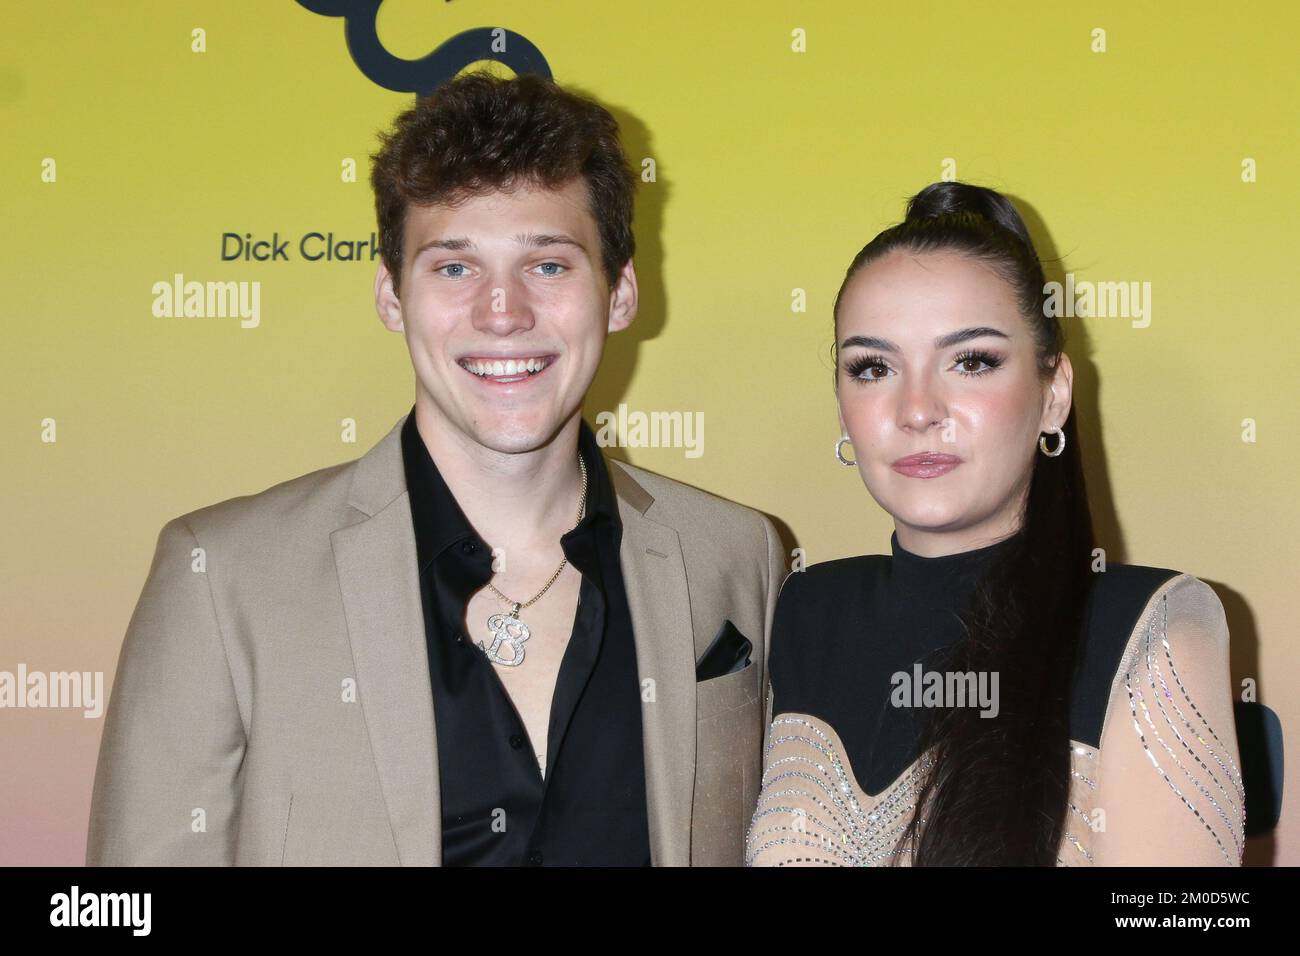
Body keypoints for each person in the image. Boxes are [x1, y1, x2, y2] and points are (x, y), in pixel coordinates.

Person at [87, 71, 784, 866]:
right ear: (392, 297)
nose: (502, 311)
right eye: (454, 267)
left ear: (619, 292)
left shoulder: (736, 554)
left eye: (549, 265)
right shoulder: (224, 575)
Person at [746, 181, 1245, 866]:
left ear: (1054, 394)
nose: (917, 409)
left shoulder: (1150, 627)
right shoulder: (808, 611)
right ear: (842, 407)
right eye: (873, 367)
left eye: (972, 361)